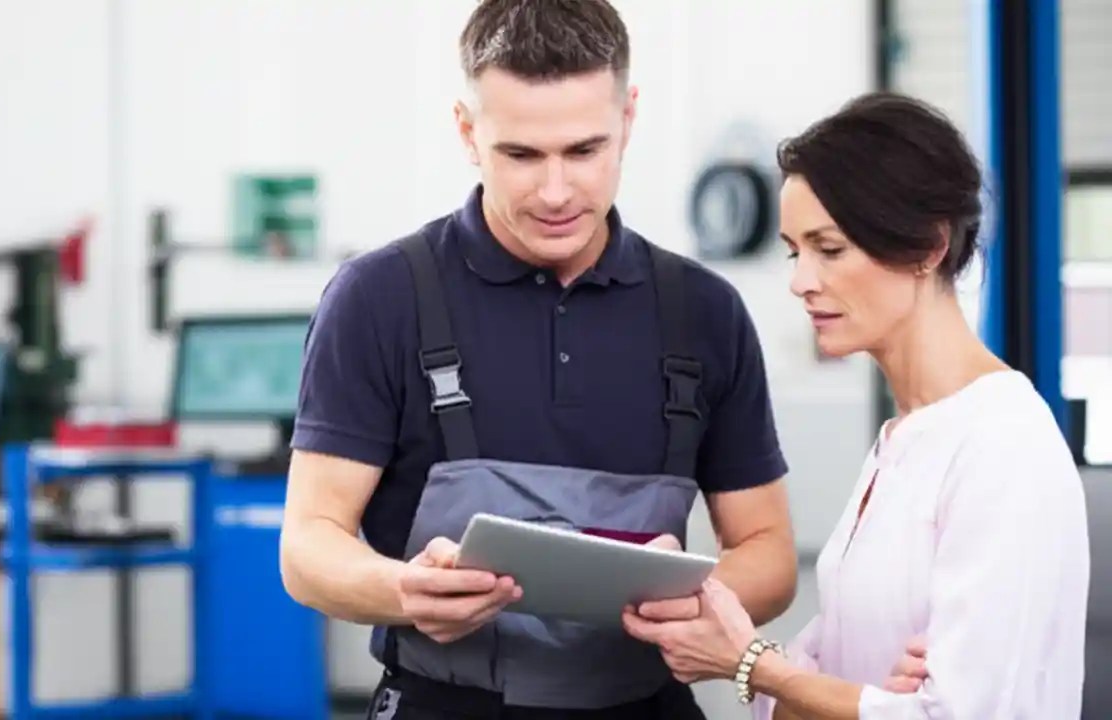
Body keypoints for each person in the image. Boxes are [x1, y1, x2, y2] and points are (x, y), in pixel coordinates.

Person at [278, 0, 799, 717]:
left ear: (628, 119)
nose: (556, 193)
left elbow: (769, 551)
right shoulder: (378, 299)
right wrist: (402, 590)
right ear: (468, 131)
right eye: (521, 155)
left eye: (584, 151)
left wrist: (696, 600)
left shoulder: (707, 312)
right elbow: (308, 546)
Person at [621, 92, 1091, 718]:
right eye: (796, 251)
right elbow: (815, 688)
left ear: (928, 246)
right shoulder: (900, 441)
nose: (801, 282)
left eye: (830, 249)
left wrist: (755, 665)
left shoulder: (1003, 442)